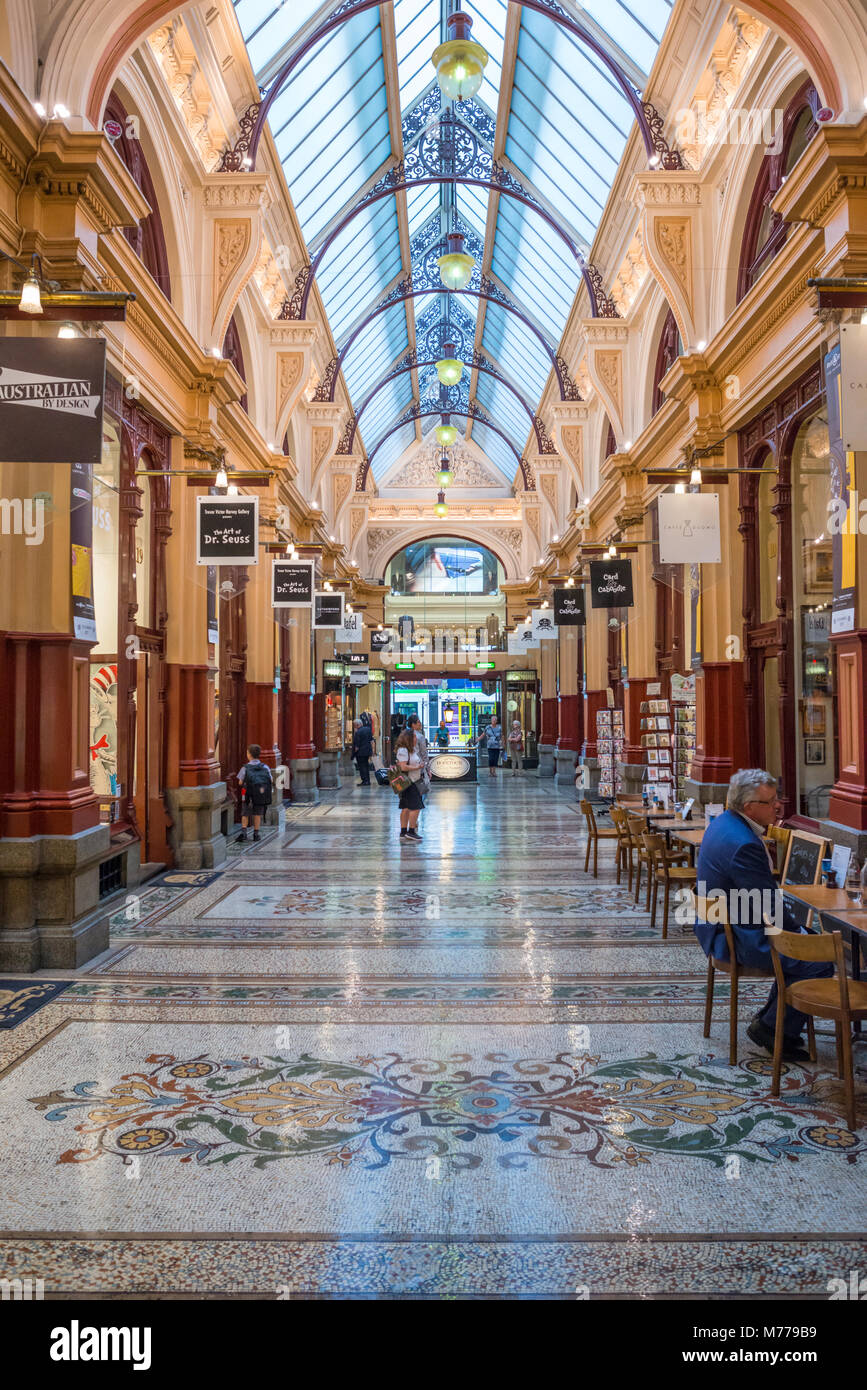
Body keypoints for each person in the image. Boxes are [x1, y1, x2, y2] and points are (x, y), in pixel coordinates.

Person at [695, 768, 833, 1062]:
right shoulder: (743, 844)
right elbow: (768, 903)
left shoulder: (723, 824)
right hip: (736, 938)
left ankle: (771, 1022)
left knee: (801, 954)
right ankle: (772, 1028)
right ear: (749, 808)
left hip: (719, 926)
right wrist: (801, 935)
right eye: (771, 801)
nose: (779, 806)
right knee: (818, 960)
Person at [394, 725, 424, 845]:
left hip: (412, 780)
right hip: (409, 782)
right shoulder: (403, 750)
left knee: (406, 806)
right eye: (414, 736)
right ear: (409, 738)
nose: (416, 738)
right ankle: (411, 831)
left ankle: (403, 831)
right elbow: (403, 766)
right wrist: (417, 767)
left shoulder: (411, 749)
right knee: (416, 806)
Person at [236, 744, 273, 842]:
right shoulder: (265, 767)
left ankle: (244, 833)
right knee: (257, 814)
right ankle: (256, 834)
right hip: (260, 794)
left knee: (245, 812)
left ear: (248, 754)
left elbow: (240, 782)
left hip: (246, 794)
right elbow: (271, 780)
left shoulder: (245, 768)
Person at [352, 717, 374, 787]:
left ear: (357, 725)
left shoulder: (358, 732)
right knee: (366, 766)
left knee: (362, 767)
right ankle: (368, 780)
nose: (354, 727)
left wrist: (354, 753)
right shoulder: (368, 729)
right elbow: (371, 741)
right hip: (367, 751)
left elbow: (357, 746)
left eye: (354, 725)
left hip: (361, 753)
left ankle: (365, 781)